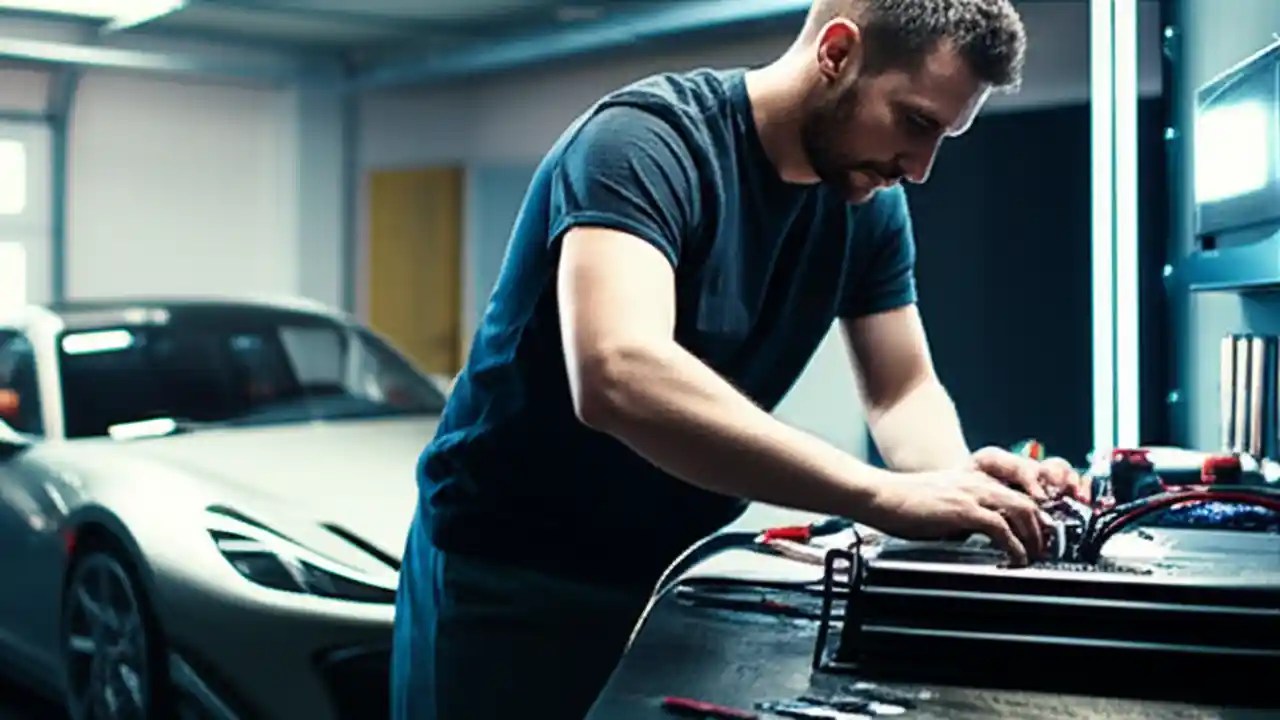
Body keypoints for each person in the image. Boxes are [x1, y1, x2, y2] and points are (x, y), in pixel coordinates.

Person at [390, 0, 1089, 718]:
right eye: (914, 123)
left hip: (667, 573)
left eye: (943, 136)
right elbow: (618, 372)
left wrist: (960, 490)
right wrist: (879, 495)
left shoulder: (867, 206)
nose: (920, 168)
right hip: (506, 572)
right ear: (837, 52)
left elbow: (901, 393)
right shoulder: (642, 143)